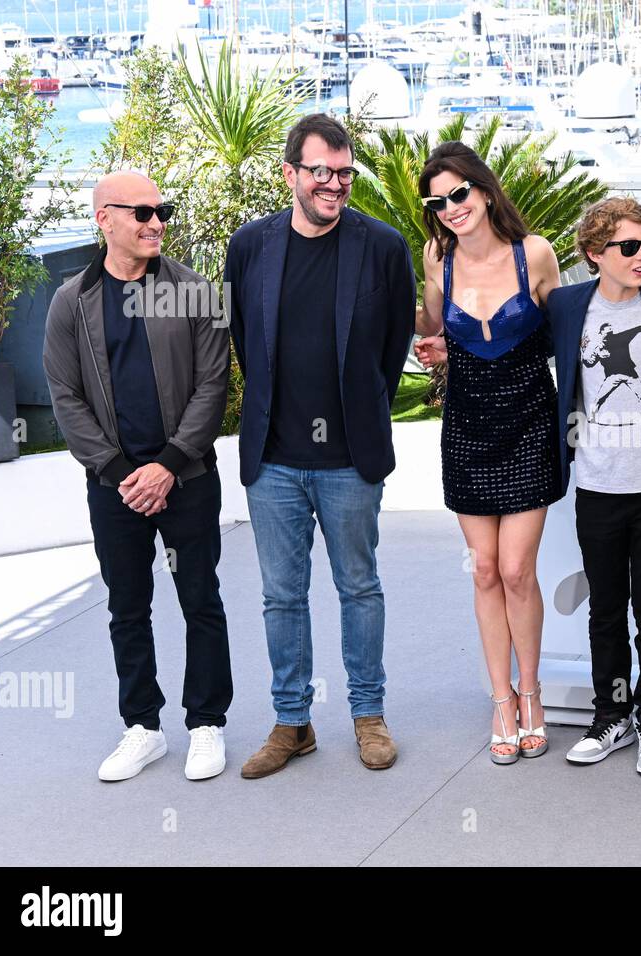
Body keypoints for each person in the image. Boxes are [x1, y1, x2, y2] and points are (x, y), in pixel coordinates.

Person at [224, 114, 415, 777]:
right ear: (291, 174)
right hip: (272, 460)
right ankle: (292, 723)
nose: (335, 184)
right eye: (321, 173)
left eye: (344, 172)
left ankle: (368, 716)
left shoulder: (384, 248)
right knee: (282, 596)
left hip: (349, 461)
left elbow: (390, 355)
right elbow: (246, 341)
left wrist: (359, 413)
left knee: (359, 588)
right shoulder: (249, 246)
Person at [43, 171, 232, 781]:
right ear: (105, 219)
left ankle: (206, 725)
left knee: (200, 600)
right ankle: (142, 728)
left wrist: (167, 467)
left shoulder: (199, 292)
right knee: (128, 606)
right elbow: (64, 396)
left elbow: (214, 386)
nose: (157, 222)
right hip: (114, 486)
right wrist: (126, 473)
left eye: (163, 210)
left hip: (189, 478)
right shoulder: (70, 301)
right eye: (143, 212)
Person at [412, 142, 563, 765]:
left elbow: (568, 333)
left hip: (529, 424)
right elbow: (434, 331)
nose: (450, 208)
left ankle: (532, 692)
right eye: (437, 201)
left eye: (458, 194)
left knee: (516, 570)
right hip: (467, 429)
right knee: (481, 569)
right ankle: (501, 699)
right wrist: (435, 346)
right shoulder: (436, 259)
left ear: (483, 190)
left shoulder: (535, 256)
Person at [544, 197, 641, 775]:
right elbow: (515, 351)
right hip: (597, 484)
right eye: (628, 247)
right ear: (593, 254)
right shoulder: (564, 306)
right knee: (605, 610)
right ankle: (611, 715)